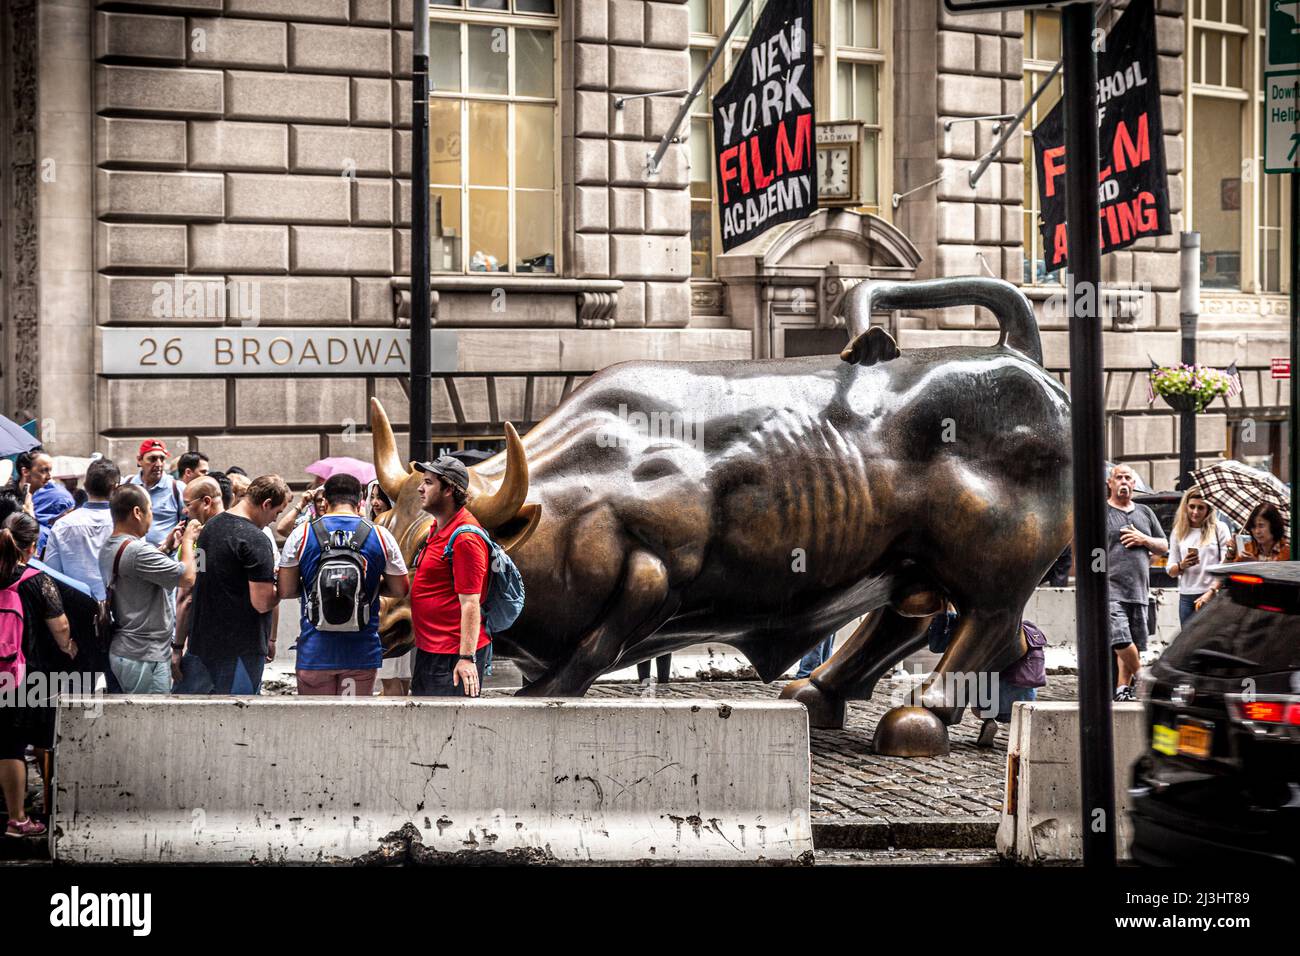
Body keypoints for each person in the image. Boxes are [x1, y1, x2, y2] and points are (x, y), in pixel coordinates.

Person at [277, 474, 409, 697]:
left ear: (325, 502)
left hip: (314, 652)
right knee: (354, 726)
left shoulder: (302, 534)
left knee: (317, 726)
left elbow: (286, 590)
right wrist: (371, 588)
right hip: (361, 651)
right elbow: (400, 589)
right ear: (360, 503)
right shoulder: (380, 534)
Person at [174, 475, 288, 695]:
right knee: (238, 722)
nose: (274, 520)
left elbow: (198, 579)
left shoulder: (208, 529)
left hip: (201, 646)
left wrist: (178, 645)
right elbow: (263, 602)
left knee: (190, 721)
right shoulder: (255, 539)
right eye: (277, 512)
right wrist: (283, 584)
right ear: (266, 504)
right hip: (240, 651)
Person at [0, 512, 74, 838]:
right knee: (31, 742)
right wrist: (70, 646)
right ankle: (27, 816)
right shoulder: (37, 580)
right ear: (31, 548)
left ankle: (11, 809)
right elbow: (60, 627)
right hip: (25, 677)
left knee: (5, 745)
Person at [99, 485, 200, 694]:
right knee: (148, 722)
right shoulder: (137, 551)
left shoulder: (111, 545)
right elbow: (187, 577)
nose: (152, 516)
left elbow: (138, 570)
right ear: (137, 512)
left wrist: (167, 548)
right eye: (150, 509)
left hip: (127, 650)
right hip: (143, 655)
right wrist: (189, 541)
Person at [408, 457, 492, 698]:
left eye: (428, 482)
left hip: (451, 655)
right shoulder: (438, 527)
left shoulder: (465, 538)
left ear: (448, 489)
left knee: (447, 732)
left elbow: (470, 602)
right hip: (431, 649)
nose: (420, 488)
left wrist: (466, 658)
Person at [1105, 464, 1167, 702]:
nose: (1123, 481)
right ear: (1110, 483)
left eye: (1127, 478)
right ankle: (1142, 677)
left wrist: (1144, 540)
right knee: (1120, 636)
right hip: (1111, 588)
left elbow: (1163, 546)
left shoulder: (1145, 512)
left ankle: (1123, 688)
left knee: (1133, 640)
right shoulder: (1103, 512)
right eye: (1118, 477)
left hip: (1139, 589)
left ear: (1134, 484)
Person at [42, 459, 120, 600]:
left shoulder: (62, 525)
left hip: (76, 610)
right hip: (119, 610)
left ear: (85, 486)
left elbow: (52, 574)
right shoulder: (126, 524)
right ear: (115, 488)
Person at [1165, 487, 1232, 624]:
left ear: (1208, 510)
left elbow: (1227, 565)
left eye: (1201, 508)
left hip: (1212, 594)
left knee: (1210, 641)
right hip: (1186, 596)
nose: (1195, 512)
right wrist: (1182, 565)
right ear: (1186, 507)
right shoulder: (1179, 531)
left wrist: (1212, 591)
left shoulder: (1219, 528)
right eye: (1192, 507)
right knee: (1188, 644)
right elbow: (1170, 570)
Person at [173, 476, 225, 649]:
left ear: (206, 502)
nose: (185, 511)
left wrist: (178, 647)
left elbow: (188, 595)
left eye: (188, 504)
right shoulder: (244, 531)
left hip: (206, 639)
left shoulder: (202, 543)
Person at [124, 440, 184, 548]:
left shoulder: (177, 488)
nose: (159, 464)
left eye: (162, 458)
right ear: (139, 460)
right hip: (132, 557)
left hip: (165, 558)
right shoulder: (127, 485)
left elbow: (187, 523)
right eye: (152, 459)